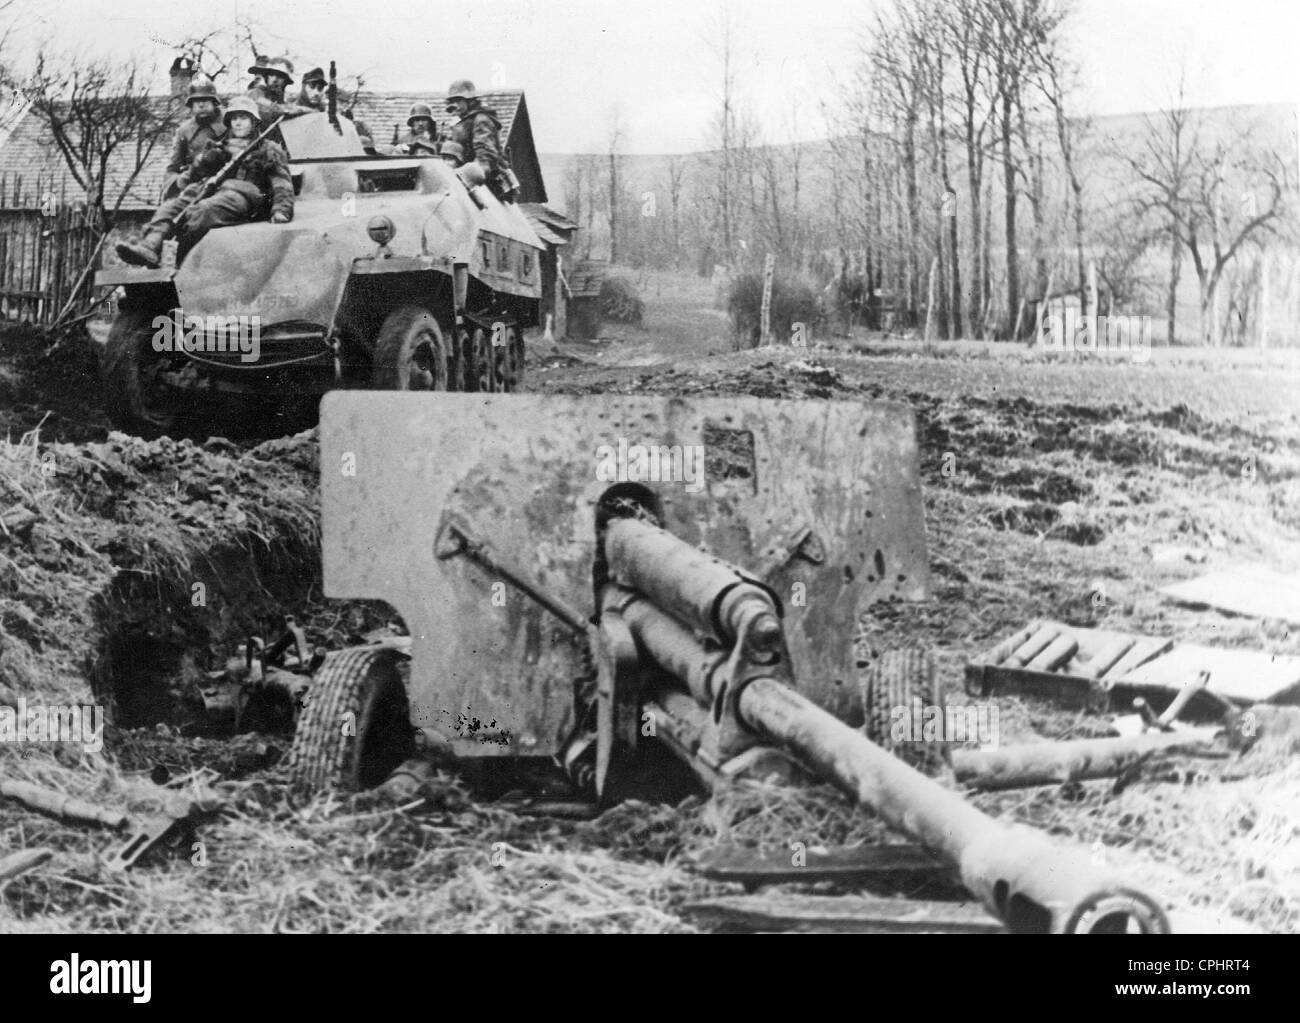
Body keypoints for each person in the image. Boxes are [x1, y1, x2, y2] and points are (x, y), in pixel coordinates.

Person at [114, 96, 293, 268]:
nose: (238, 123)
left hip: (243, 196)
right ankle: (150, 246)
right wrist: (204, 161)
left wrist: (281, 210)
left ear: (254, 121)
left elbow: (282, 182)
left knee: (201, 212)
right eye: (234, 118)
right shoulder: (219, 146)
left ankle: (176, 257)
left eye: (243, 118)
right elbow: (195, 175)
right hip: (212, 188)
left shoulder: (268, 149)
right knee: (171, 207)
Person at [162, 79, 226, 200]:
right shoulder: (184, 131)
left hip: (226, 183)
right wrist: (181, 180)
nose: (201, 105)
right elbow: (171, 170)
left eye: (205, 100)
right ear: (191, 105)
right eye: (196, 101)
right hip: (195, 186)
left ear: (214, 102)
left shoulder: (230, 122)